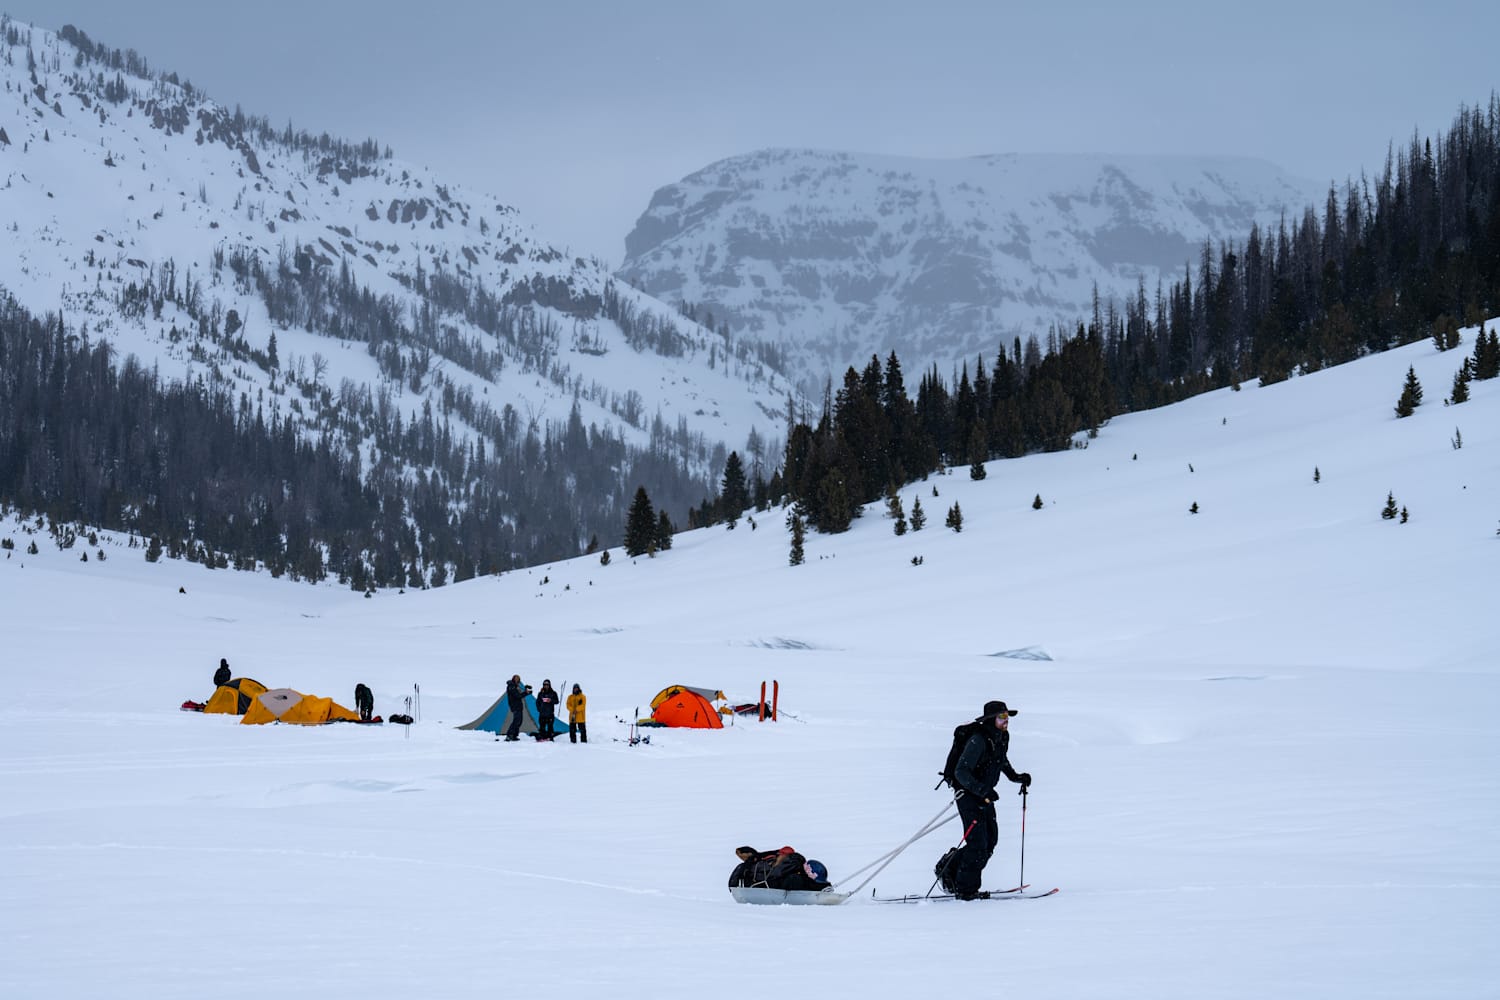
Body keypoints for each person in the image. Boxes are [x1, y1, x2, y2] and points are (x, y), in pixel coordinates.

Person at [950, 700, 1032, 900]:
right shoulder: (978, 740)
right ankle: (965, 890)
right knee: (978, 844)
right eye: (1002, 717)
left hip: (984, 796)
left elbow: (1000, 760)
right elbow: (960, 771)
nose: (1006, 720)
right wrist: (982, 790)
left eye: (1007, 716)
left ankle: (950, 871)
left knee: (990, 841)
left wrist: (1016, 777)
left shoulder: (1001, 737)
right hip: (968, 795)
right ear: (990, 719)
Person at [502, 674, 529, 742]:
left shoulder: (516, 686)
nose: (517, 680)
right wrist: (526, 693)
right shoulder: (511, 686)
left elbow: (519, 695)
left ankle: (514, 735)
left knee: (519, 721)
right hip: (515, 706)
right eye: (516, 679)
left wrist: (525, 691)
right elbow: (517, 695)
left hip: (518, 706)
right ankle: (509, 735)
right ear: (513, 679)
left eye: (518, 679)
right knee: (516, 721)